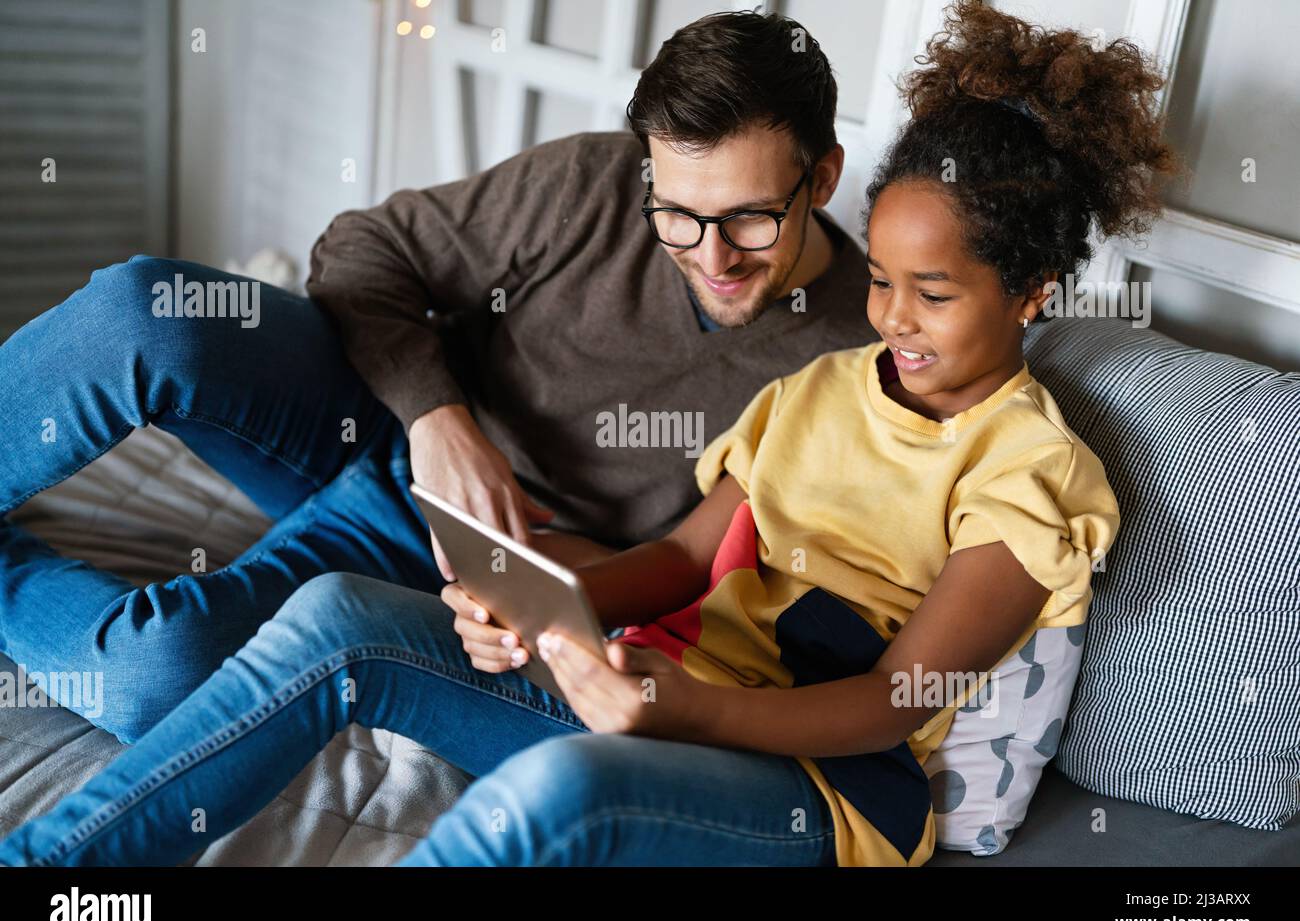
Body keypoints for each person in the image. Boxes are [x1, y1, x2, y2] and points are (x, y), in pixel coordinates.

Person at [0, 0, 1178, 867]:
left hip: (814, 777)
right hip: (587, 621)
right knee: (315, 593)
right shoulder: (820, 389)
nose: (894, 321)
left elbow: (896, 696)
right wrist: (535, 594)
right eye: (678, 215)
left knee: (543, 787)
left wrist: (670, 694)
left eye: (933, 297)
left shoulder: (1021, 461)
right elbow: (672, 563)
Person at [0, 10, 867, 744]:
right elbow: (359, 249)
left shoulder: (859, 357)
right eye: (678, 215)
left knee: (160, 674)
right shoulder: (595, 183)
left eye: (750, 219)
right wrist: (437, 418)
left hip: (477, 562)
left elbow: (702, 571)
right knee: (148, 311)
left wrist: (544, 583)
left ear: (822, 178)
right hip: (377, 414)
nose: (709, 255)